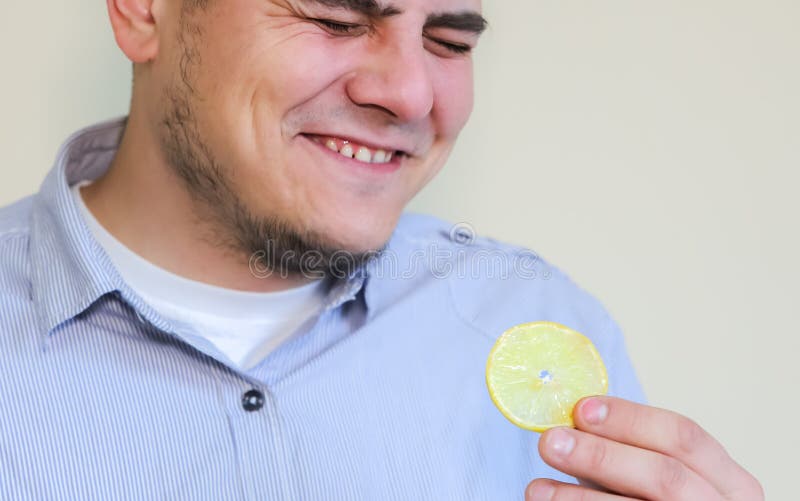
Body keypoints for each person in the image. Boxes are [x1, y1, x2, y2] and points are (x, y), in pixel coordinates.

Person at [0, 0, 763, 499]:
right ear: (144, 11)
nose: (410, 93)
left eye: (449, 40)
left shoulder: (543, 326)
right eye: (334, 17)